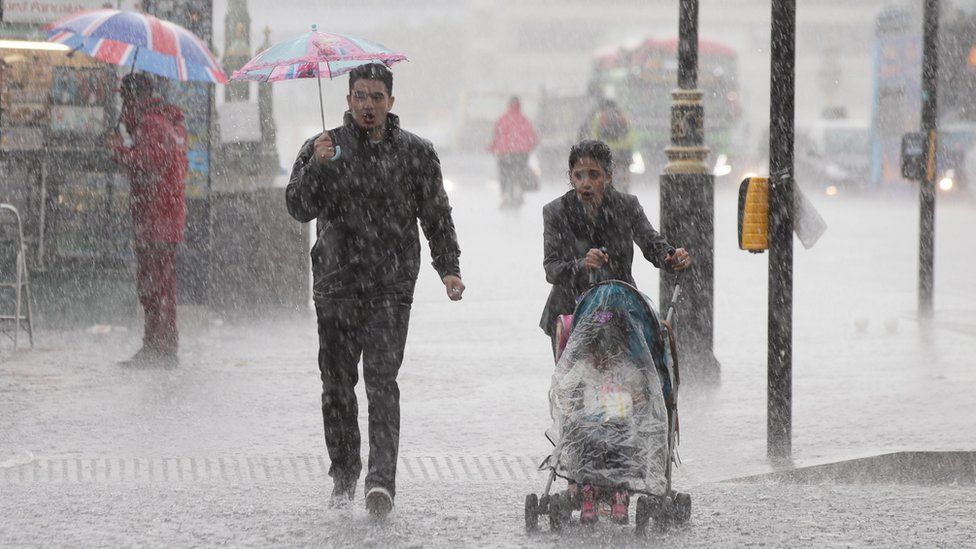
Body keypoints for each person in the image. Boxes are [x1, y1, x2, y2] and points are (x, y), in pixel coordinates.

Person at [285, 63, 465, 518]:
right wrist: (318, 169)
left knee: (383, 384)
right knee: (337, 386)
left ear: (391, 101)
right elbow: (298, 207)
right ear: (347, 100)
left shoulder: (416, 154)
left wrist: (449, 268)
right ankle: (344, 474)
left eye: (377, 97)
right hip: (336, 285)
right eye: (360, 96)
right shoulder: (321, 147)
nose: (368, 105)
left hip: (390, 285)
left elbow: (436, 214)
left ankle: (381, 482)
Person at [540, 139, 691, 355]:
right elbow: (552, 269)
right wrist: (583, 264)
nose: (586, 183)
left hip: (620, 306)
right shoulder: (556, 212)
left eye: (594, 174)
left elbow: (650, 242)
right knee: (577, 383)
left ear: (609, 176)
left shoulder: (627, 206)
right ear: (570, 177)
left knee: (634, 374)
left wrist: (670, 256)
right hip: (571, 312)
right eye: (579, 175)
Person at [107, 73, 187, 367]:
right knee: (161, 286)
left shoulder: (151, 125)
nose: (122, 108)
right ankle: (160, 345)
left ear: (133, 98)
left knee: (154, 286)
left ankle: (158, 347)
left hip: (156, 219)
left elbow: (146, 163)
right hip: (165, 218)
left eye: (124, 100)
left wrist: (119, 150)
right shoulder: (167, 122)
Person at [553, 310, 649, 525]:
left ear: (616, 350)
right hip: (590, 422)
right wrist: (569, 409)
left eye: (605, 352)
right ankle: (588, 491)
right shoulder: (584, 367)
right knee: (589, 450)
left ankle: (619, 493)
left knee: (620, 452)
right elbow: (564, 388)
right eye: (595, 351)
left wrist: (639, 409)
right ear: (588, 350)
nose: (600, 359)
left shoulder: (625, 369)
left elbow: (639, 395)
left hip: (620, 422)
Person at [487, 96, 539, 208]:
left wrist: (492, 148)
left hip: (505, 154)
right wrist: (529, 147)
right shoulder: (524, 120)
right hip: (521, 155)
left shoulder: (502, 120)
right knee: (520, 172)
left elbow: (496, 139)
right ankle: (520, 190)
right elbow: (533, 138)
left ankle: (505, 193)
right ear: (519, 106)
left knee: (504, 174)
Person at [579, 99, 637, 192]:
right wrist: (626, 146)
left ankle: (605, 189)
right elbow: (632, 134)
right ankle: (625, 186)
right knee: (625, 170)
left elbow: (594, 134)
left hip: (605, 150)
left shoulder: (599, 116)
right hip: (623, 151)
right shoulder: (623, 115)